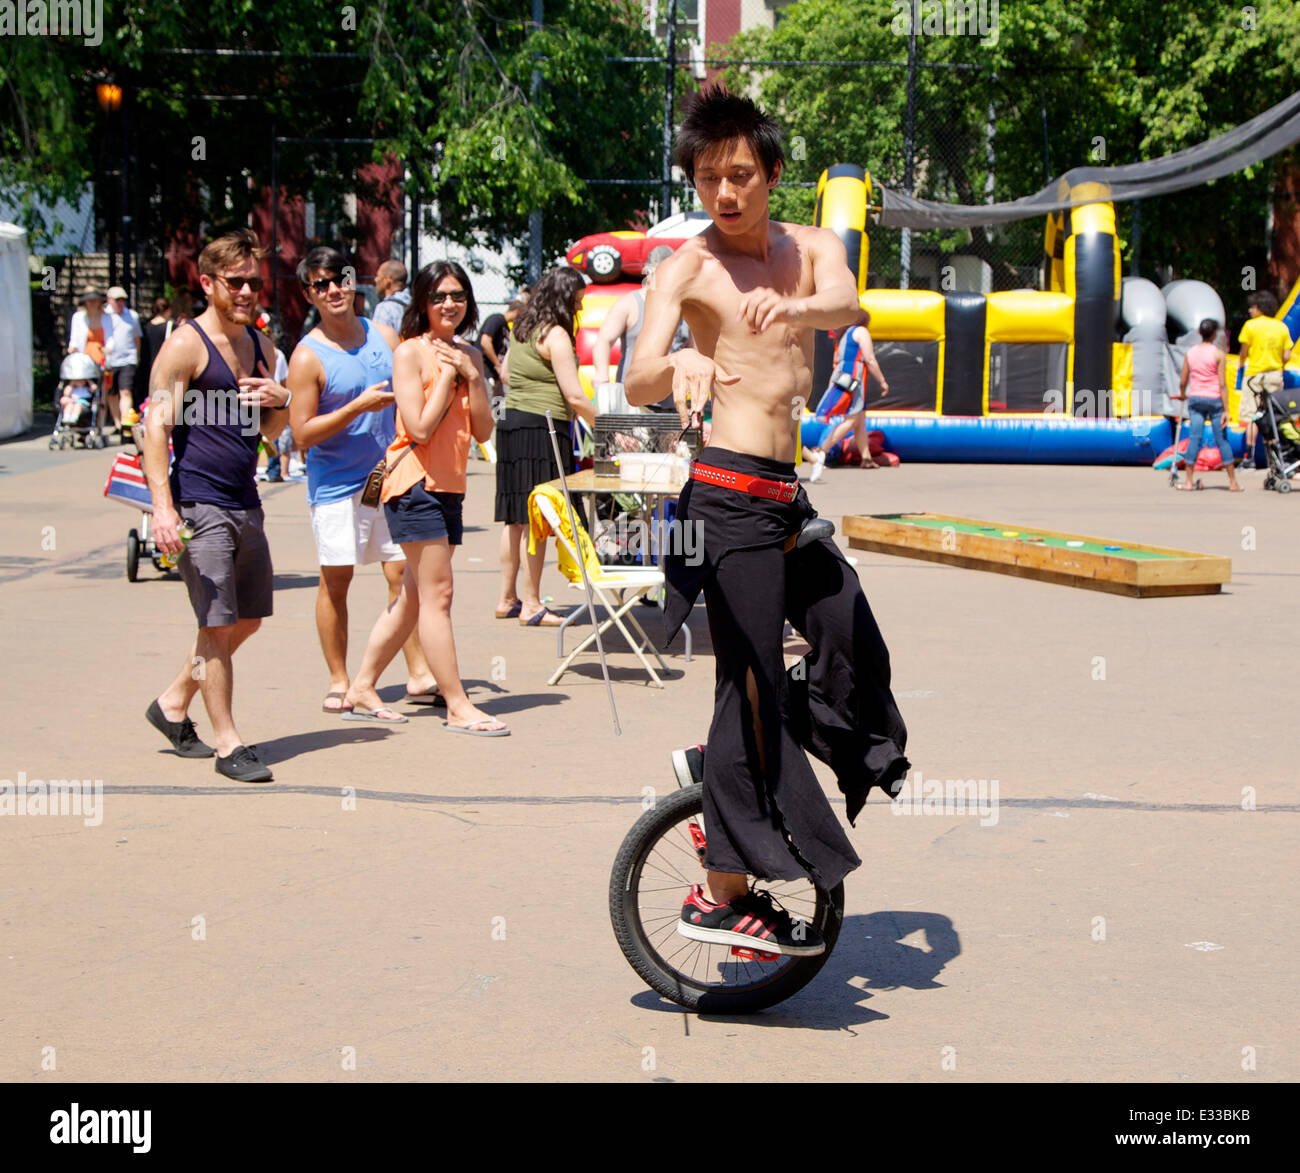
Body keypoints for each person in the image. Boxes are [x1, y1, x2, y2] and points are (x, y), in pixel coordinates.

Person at [626, 84, 910, 956]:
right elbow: (636, 378)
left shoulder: (814, 248)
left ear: (773, 173)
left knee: (850, 639)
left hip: (786, 497)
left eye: (741, 174)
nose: (725, 194)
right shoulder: (688, 268)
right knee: (747, 686)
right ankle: (723, 898)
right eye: (710, 178)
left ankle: (720, 770)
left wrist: (796, 309)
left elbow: (850, 304)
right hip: (723, 493)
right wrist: (676, 361)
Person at [139, 228, 291, 783]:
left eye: (254, 280)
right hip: (199, 503)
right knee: (216, 623)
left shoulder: (261, 345)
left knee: (245, 619)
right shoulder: (187, 344)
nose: (248, 290)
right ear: (207, 283)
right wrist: (163, 508)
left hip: (246, 501)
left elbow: (271, 431)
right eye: (236, 282)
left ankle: (173, 702)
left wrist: (285, 400)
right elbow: (156, 422)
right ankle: (230, 744)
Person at [341, 261, 507, 734]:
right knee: (439, 594)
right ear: (423, 303)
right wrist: (452, 379)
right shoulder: (410, 353)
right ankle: (457, 704)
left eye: (457, 295)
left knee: (414, 597)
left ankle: (362, 685)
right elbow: (416, 426)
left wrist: (472, 378)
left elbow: (483, 429)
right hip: (413, 483)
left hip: (449, 485)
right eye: (438, 297)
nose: (449, 304)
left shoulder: (470, 354)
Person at [285, 245, 439, 714]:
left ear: (356, 283)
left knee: (404, 576)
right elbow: (300, 434)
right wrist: (354, 408)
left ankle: (417, 673)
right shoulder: (307, 356)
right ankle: (339, 678)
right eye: (321, 284)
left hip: (389, 478)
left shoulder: (384, 336)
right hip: (335, 485)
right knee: (337, 581)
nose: (333, 290)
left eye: (341, 279)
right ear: (310, 294)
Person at [493, 266, 596, 626]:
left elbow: (505, 375)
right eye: (578, 303)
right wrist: (608, 426)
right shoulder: (555, 335)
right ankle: (533, 603)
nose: (580, 311)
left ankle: (508, 598)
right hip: (543, 428)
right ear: (565, 300)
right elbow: (573, 394)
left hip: (510, 425)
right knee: (538, 519)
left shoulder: (522, 327)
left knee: (515, 519)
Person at [591, 259, 691, 412]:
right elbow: (604, 340)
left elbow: (693, 349)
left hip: (672, 404)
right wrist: (602, 376)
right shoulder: (630, 303)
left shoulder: (685, 309)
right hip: (634, 404)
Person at [804, 308, 890, 482]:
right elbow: (870, 359)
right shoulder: (861, 331)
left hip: (843, 375)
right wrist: (882, 381)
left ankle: (866, 458)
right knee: (851, 420)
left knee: (859, 420)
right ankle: (821, 450)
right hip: (854, 377)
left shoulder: (844, 334)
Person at [1177, 318, 1243, 492]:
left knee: (1195, 438)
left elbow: (1183, 380)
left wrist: (1183, 394)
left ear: (1200, 333)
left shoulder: (1190, 353)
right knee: (1221, 440)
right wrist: (1227, 410)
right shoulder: (1219, 354)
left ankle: (1189, 481)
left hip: (1196, 398)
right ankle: (1233, 482)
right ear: (1214, 335)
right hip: (1214, 399)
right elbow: (1222, 384)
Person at [1236, 291, 1295, 468]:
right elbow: (1286, 356)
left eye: (1252, 307)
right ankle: (1276, 459)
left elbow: (1244, 352)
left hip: (1254, 376)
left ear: (1260, 308)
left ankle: (1250, 458)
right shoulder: (1281, 327)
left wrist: (1240, 365)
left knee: (1252, 416)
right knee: (1274, 417)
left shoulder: (1250, 326)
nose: (1250, 310)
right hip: (1274, 375)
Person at [105, 285, 144, 433]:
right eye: (117, 300)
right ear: (109, 300)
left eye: (122, 300)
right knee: (112, 394)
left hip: (128, 358)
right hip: (109, 360)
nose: (120, 303)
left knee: (125, 391)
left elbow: (137, 338)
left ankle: (125, 422)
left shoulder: (132, 315)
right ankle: (117, 424)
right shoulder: (105, 316)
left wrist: (137, 356)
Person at [478, 294, 528, 407]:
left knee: (498, 403)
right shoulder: (496, 319)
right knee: (489, 402)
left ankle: (498, 423)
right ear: (516, 312)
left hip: (496, 374)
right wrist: (497, 365)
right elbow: (485, 342)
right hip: (485, 370)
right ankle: (491, 423)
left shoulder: (506, 327)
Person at [139, 297, 174, 395]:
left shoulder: (147, 326)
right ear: (168, 310)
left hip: (149, 367)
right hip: (165, 367)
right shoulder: (170, 326)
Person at [372, 260, 411, 334]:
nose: (375, 279)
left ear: (387, 281)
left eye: (378, 276)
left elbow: (379, 341)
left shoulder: (384, 308)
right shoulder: (413, 305)